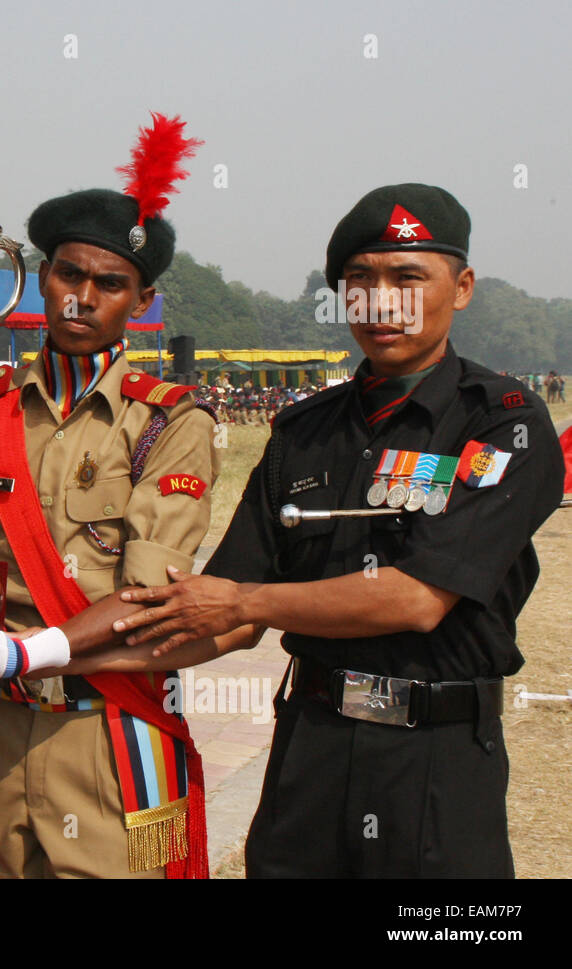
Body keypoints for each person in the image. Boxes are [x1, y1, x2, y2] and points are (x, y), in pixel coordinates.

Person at [117, 183, 564, 876]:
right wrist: (50, 654)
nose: (382, 301)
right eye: (359, 280)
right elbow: (225, 609)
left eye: (408, 277)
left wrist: (243, 603)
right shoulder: (305, 431)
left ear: (464, 285)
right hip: (311, 749)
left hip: (437, 762)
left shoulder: (503, 421)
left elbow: (418, 597)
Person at [0, 115, 219, 878]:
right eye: (68, 275)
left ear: (140, 298)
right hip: (6, 723)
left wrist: (22, 648)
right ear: (41, 276)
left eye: (109, 283)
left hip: (113, 722)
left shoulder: (170, 421)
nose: (82, 298)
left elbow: (149, 595)